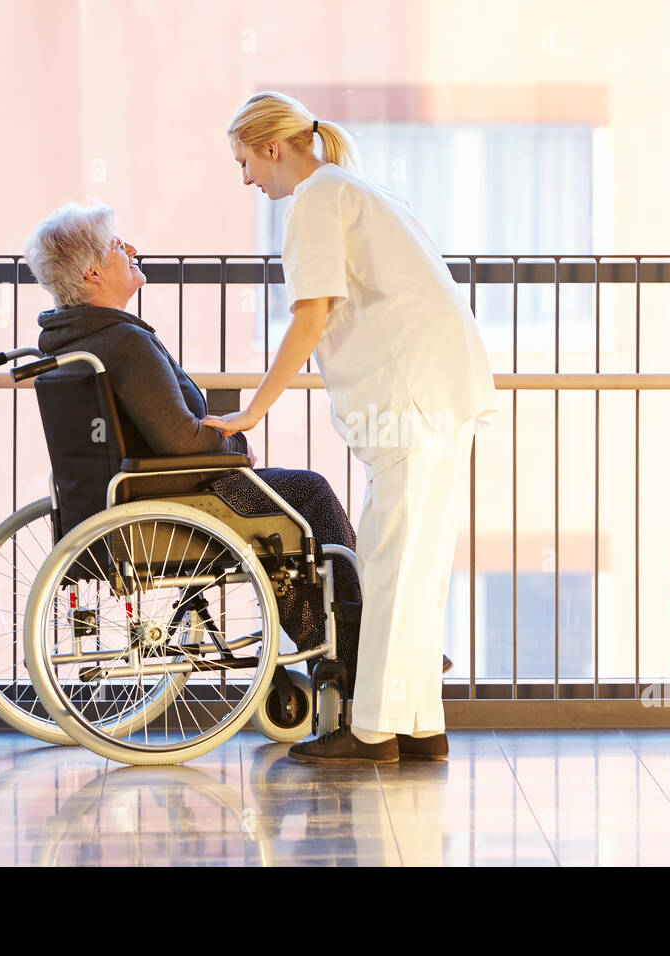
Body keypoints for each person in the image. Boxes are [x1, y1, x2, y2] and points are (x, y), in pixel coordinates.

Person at [205, 92, 498, 764]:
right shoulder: (353, 189)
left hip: (411, 402)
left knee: (392, 568)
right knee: (414, 570)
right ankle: (419, 726)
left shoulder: (316, 198)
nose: (246, 178)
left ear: (272, 147)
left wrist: (253, 410)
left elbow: (311, 314)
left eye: (244, 160)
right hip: (440, 396)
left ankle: (372, 733)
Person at [22, 202, 362, 685]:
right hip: (177, 496)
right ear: (94, 272)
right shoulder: (122, 341)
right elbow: (180, 440)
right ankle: (359, 655)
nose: (132, 249)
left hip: (135, 497)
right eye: (119, 245)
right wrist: (236, 448)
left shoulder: (70, 337)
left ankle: (338, 652)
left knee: (289, 507)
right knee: (310, 493)